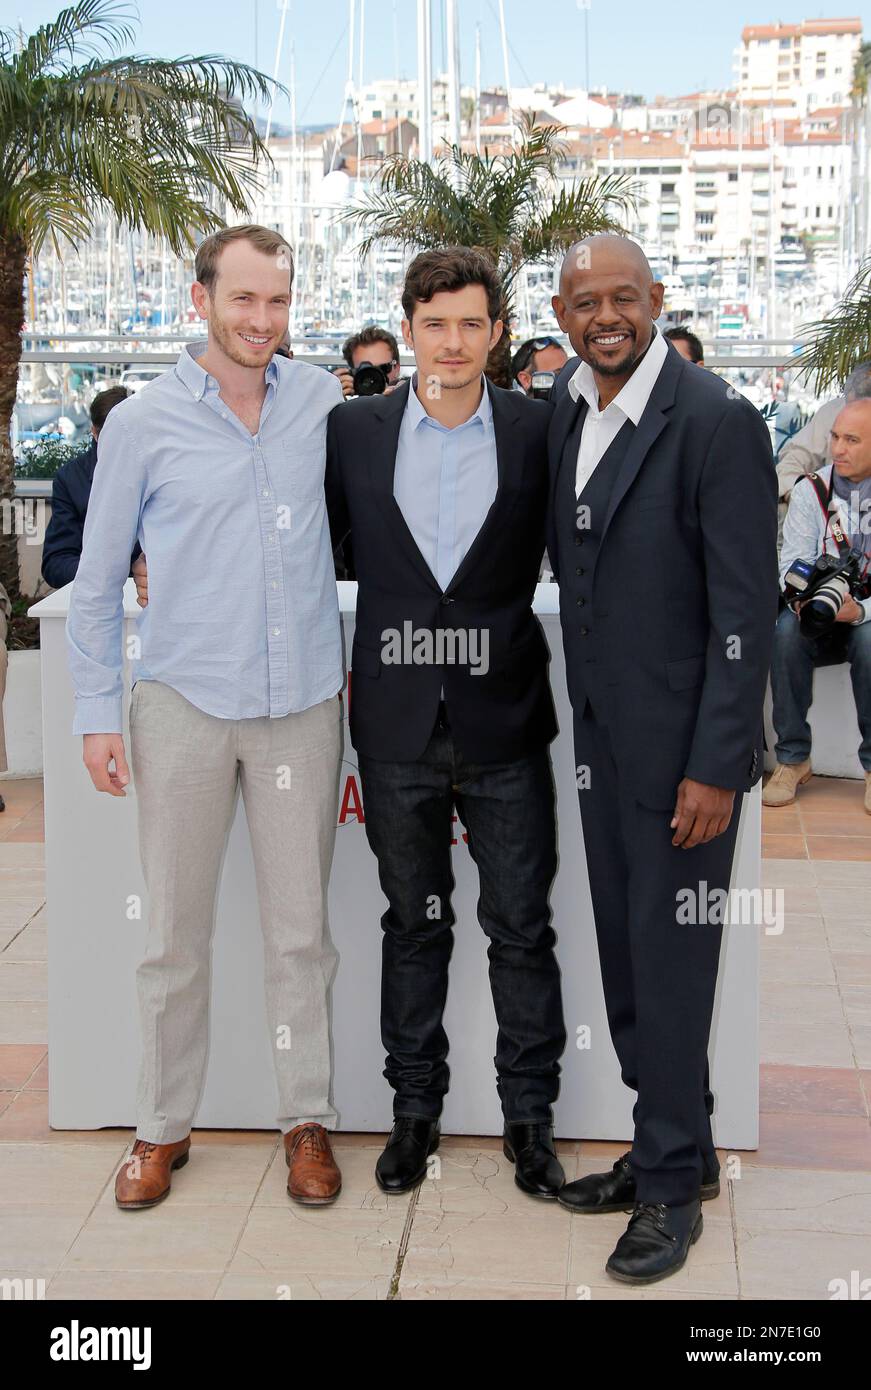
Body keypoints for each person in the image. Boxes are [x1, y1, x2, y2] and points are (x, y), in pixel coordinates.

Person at [67, 224, 346, 1211]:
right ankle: (160, 1129)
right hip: (180, 701)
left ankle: (304, 1119)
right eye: (244, 301)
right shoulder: (140, 422)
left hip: (303, 705)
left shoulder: (323, 400)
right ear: (201, 301)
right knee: (171, 937)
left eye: (277, 301)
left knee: (300, 935)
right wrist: (98, 711)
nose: (263, 321)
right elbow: (98, 579)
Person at [548, 234, 777, 1284]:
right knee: (634, 962)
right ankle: (667, 1146)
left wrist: (716, 766)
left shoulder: (717, 422)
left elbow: (745, 611)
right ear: (560, 316)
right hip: (600, 745)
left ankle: (672, 1188)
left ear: (657, 300)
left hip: (685, 760)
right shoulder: (566, 412)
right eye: (585, 301)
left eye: (623, 297)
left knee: (674, 969)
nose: (606, 315)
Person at [325, 248, 567, 1199]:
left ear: (496, 332)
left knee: (520, 929)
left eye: (471, 323)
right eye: (435, 324)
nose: (453, 342)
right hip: (393, 725)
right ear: (409, 327)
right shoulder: (352, 432)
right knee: (413, 927)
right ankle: (413, 1114)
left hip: (504, 720)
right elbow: (317, 542)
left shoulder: (542, 432)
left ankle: (529, 1123)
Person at [764, 398, 871, 813]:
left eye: (852, 440)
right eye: (835, 437)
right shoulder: (812, 489)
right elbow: (790, 560)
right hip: (817, 614)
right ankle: (793, 759)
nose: (838, 448)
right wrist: (802, 596)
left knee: (869, 638)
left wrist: (859, 610)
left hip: (863, 616)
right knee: (785, 632)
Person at [41, 387, 136, 590]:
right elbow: (56, 563)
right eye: (113, 435)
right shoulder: (70, 479)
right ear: (94, 432)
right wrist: (108, 573)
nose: (122, 443)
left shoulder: (162, 472)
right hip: (95, 599)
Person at [334, 325, 401, 399]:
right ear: (352, 375)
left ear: (396, 368)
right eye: (366, 371)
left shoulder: (408, 401)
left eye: (383, 368)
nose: (373, 378)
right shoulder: (347, 408)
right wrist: (336, 402)